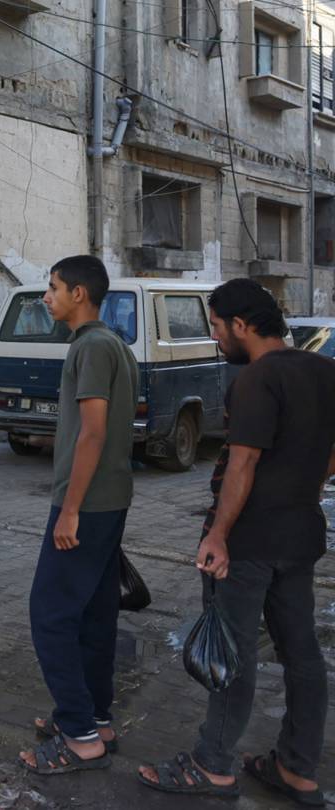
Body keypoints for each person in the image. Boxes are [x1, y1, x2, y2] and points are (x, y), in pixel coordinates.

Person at [137, 279, 333, 803]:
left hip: (248, 541)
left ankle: (212, 765)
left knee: (232, 655)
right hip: (300, 534)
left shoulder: (256, 379)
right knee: (302, 653)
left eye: (218, 327)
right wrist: (307, 485)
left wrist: (219, 536)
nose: (216, 337)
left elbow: (242, 462)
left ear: (242, 326)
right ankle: (298, 769)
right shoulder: (325, 371)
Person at [17, 256, 138, 775]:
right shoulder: (112, 344)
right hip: (108, 499)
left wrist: (69, 510)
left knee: (50, 614)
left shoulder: (91, 346)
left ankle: (80, 735)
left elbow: (93, 431)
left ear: (79, 294)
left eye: (53, 288)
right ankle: (97, 720)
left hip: (86, 505)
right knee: (94, 614)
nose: (47, 297)